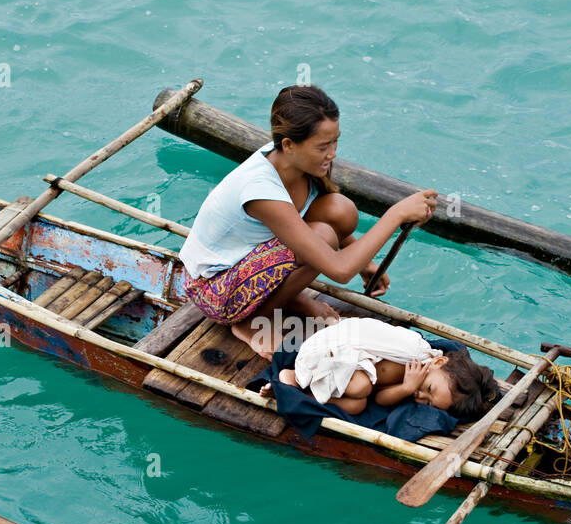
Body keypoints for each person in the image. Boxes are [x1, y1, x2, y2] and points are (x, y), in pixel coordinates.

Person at [179, 84, 437, 359]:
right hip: (214, 289)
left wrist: (367, 264)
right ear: (289, 145)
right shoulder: (261, 190)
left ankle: (287, 298)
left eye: (335, 141)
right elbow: (339, 270)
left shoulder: (299, 160)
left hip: (249, 262)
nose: (333, 153)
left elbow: (331, 219)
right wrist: (395, 214)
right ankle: (250, 324)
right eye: (324, 146)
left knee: (341, 210)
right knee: (322, 237)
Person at [258, 316, 500, 419]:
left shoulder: (412, 381)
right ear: (438, 361)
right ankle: (296, 377)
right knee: (362, 387)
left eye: (427, 402)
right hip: (330, 349)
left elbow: (381, 399)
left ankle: (299, 393)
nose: (420, 394)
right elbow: (359, 334)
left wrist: (405, 389)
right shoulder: (412, 352)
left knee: (358, 405)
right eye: (428, 388)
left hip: (348, 372)